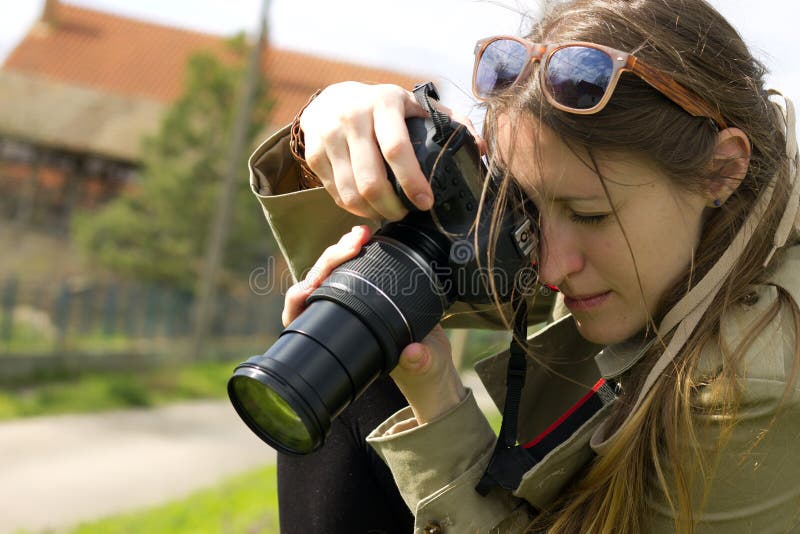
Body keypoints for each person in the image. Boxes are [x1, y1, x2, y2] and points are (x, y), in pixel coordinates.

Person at [248, 0, 800, 531]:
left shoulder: (750, 379)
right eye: (525, 207)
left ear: (721, 171)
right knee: (358, 341)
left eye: (590, 215)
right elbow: (429, 268)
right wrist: (333, 130)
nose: (550, 265)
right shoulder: (690, 234)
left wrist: (438, 406)